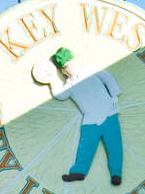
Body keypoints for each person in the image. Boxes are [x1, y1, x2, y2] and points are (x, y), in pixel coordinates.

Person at [32, 47, 123, 185]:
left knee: (114, 145)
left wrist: (114, 94)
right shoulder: (68, 86)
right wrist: (51, 79)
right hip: (90, 118)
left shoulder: (90, 71)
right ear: (63, 71)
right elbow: (60, 95)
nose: (69, 69)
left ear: (74, 63)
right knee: (86, 146)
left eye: (70, 65)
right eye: (65, 68)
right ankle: (78, 172)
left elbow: (107, 77)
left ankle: (116, 174)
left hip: (108, 113)